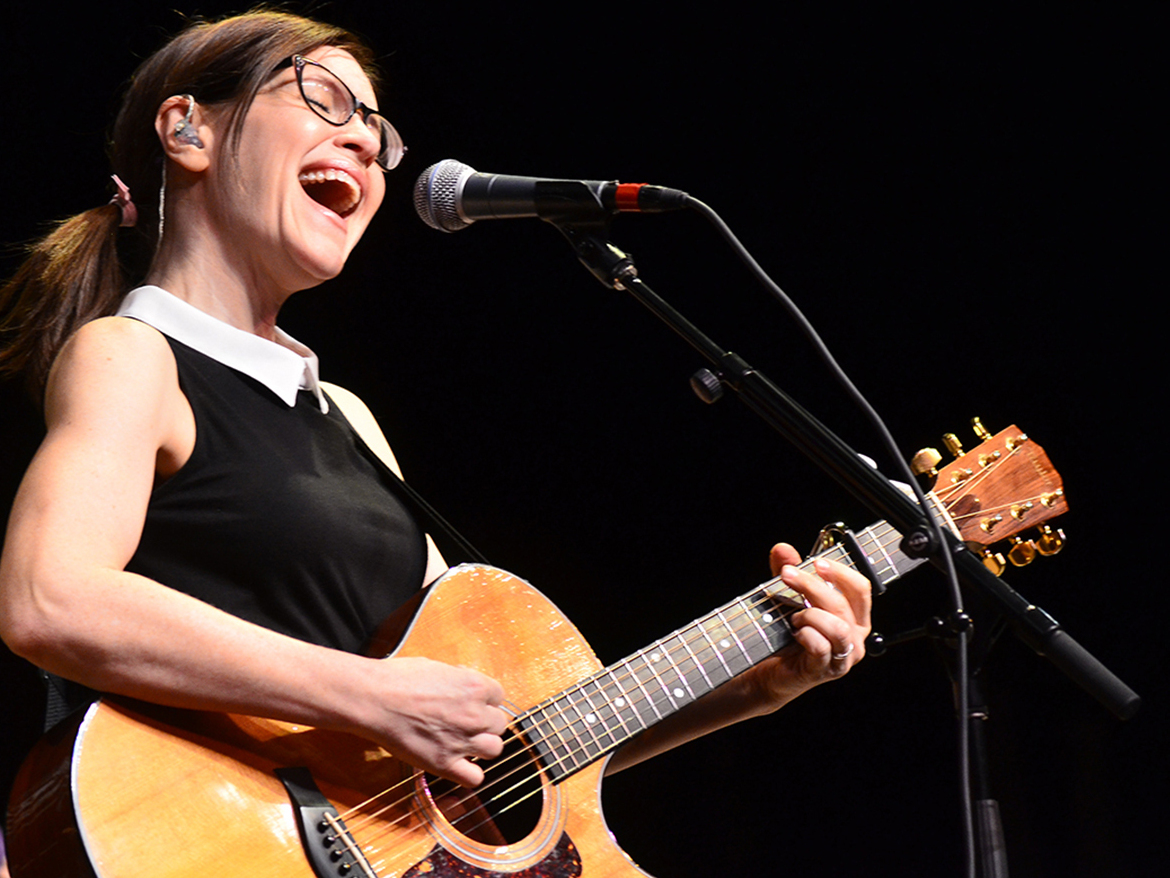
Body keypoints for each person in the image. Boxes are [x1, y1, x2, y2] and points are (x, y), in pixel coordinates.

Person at [0, 6, 869, 844]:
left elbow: (503, 749)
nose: (364, 142)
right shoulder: (132, 355)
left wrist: (759, 684)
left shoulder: (346, 417)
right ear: (187, 130)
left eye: (377, 131)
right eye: (324, 100)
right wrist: (369, 696)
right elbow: (50, 599)